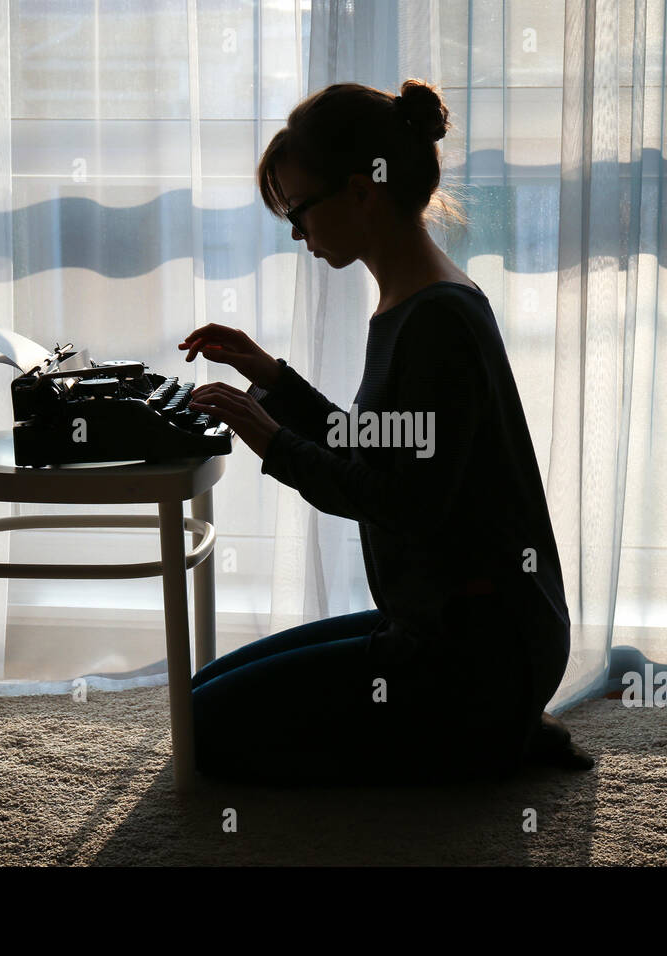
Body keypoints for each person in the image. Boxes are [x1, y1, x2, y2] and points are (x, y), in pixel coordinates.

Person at [176, 79, 592, 786]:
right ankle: (489, 730)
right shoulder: (412, 301)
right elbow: (381, 448)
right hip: (448, 629)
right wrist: (274, 380)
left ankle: (489, 737)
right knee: (197, 701)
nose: (297, 233)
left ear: (362, 192)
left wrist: (271, 440)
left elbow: (405, 503)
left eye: (299, 211)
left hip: (477, 654)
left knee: (204, 734)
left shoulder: (437, 320)